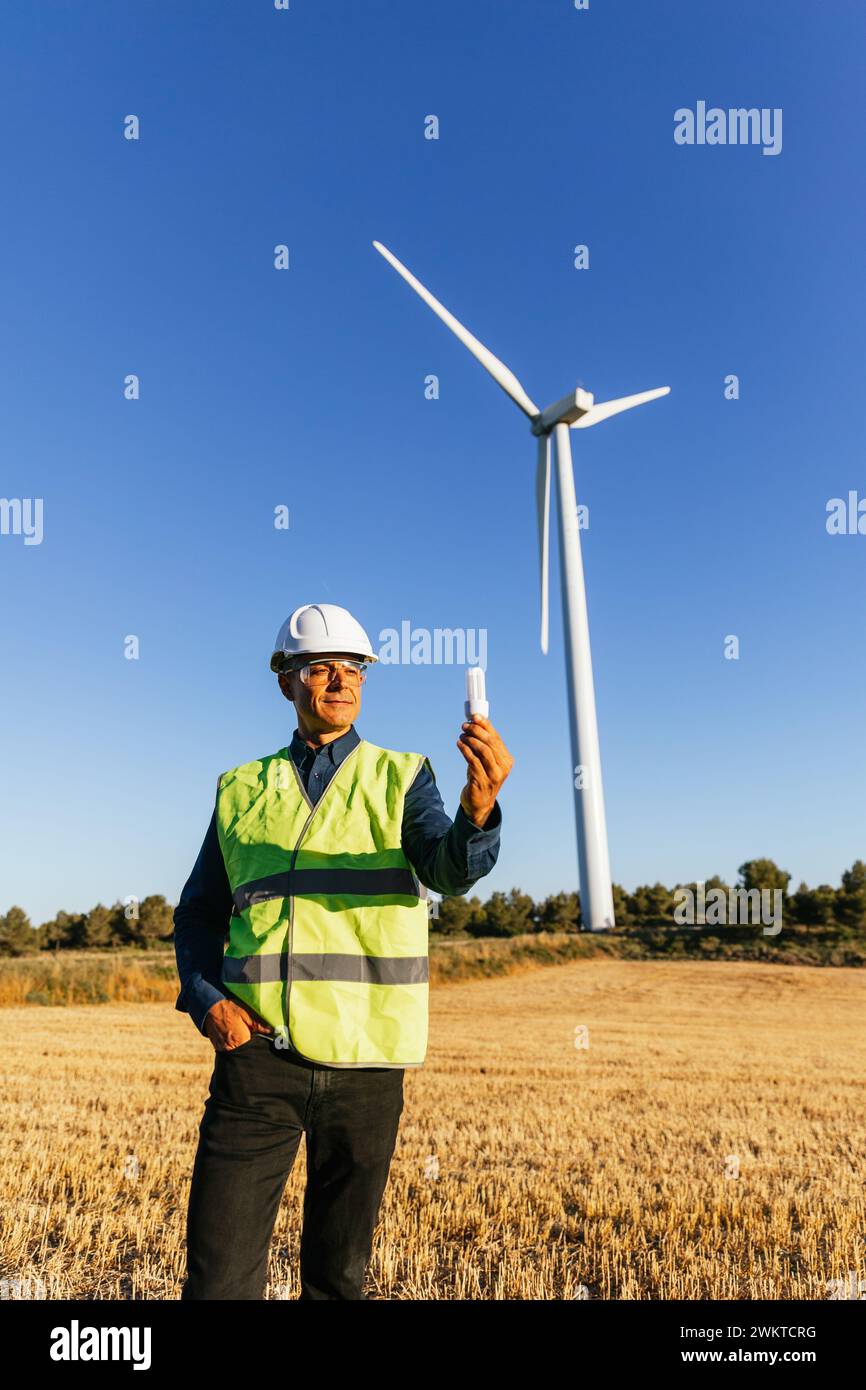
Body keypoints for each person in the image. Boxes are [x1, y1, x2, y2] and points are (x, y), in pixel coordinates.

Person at [174, 602, 513, 1300]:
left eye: (353, 669)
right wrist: (208, 1003)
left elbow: (447, 870)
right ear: (286, 682)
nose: (340, 681)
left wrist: (478, 809)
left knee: (338, 1279)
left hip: (366, 1064)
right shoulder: (241, 789)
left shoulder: (402, 776)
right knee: (218, 1279)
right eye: (320, 668)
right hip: (256, 1063)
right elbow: (199, 911)